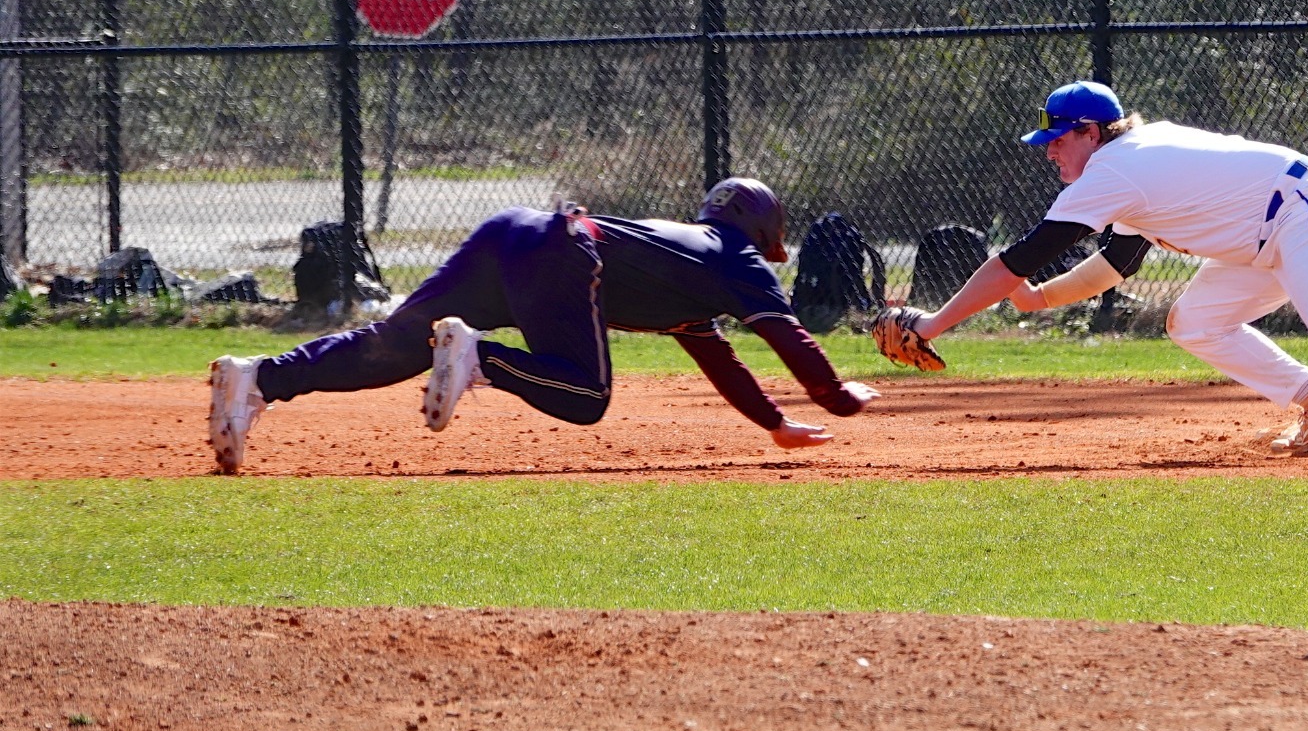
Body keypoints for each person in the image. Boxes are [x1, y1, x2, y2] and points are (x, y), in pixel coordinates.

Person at [893, 81, 1308, 461]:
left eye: (1058, 139)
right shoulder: (1127, 173)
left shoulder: (1115, 168)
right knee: (1194, 321)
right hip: (1267, 235)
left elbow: (1020, 257)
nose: (1051, 151)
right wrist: (1039, 302)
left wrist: (937, 322)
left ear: (1090, 133)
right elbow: (1116, 261)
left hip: (1305, 209)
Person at [206, 179, 879, 475]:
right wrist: (837, 397)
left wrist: (774, 425)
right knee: (586, 397)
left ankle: (259, 378)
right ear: (765, 234)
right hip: (561, 250)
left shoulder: (692, 258)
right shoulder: (737, 259)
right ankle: (478, 358)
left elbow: (718, 356)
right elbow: (790, 337)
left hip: (514, 231)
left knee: (392, 348)